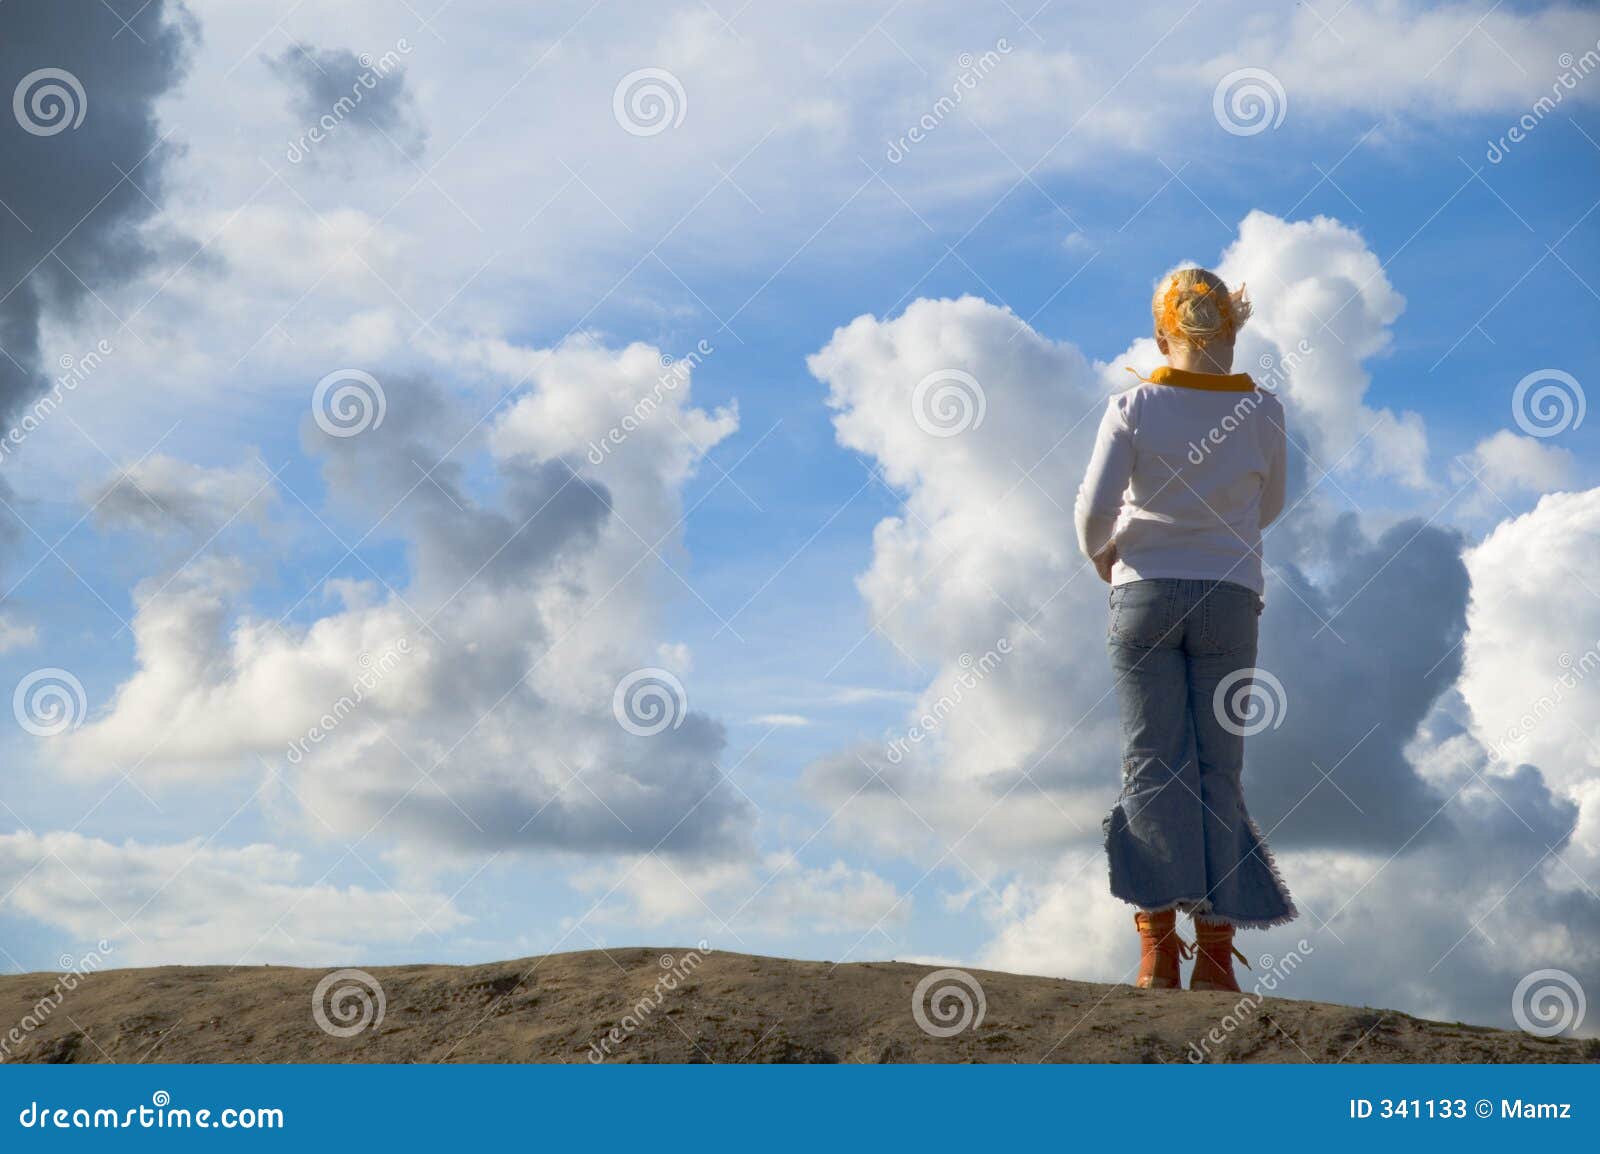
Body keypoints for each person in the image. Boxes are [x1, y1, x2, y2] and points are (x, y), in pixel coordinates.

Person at [1074, 267, 1296, 993]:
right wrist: (1220, 541)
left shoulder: (1133, 405)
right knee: (1217, 768)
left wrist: (1108, 557)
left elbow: (1093, 511)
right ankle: (1216, 958)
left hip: (1144, 593)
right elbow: (1272, 505)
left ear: (1163, 333)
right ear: (1234, 329)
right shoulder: (1265, 413)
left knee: (1151, 762)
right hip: (1231, 596)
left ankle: (1156, 950)